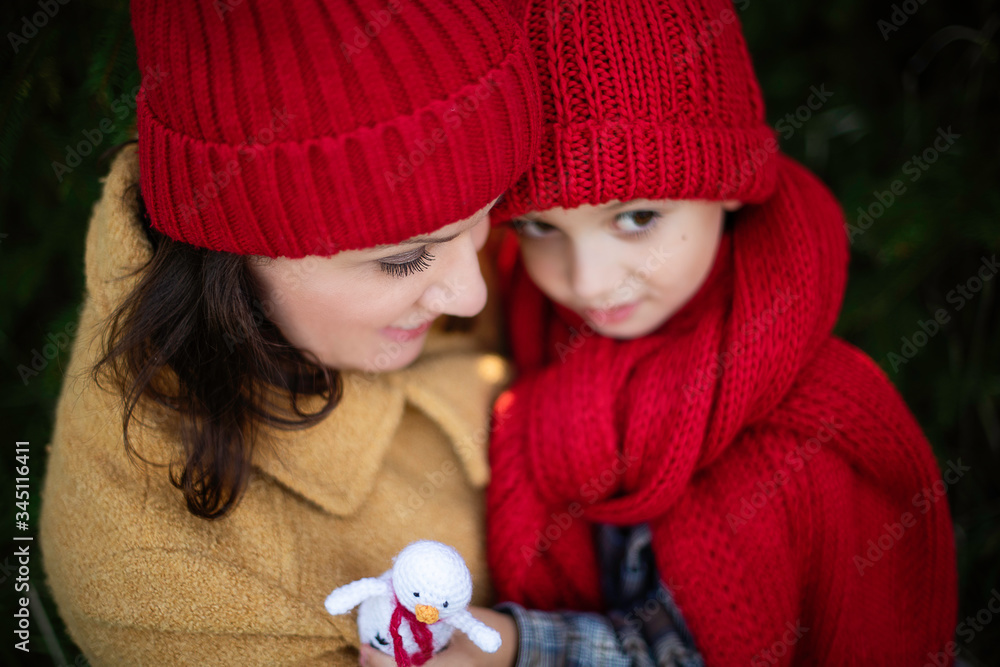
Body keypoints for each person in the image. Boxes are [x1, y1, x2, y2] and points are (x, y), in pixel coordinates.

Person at [37, 0, 543, 664]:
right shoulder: (152, 579)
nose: (473, 290)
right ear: (229, 254)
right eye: (403, 257)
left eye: (488, 212)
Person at [479, 0, 959, 665]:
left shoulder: (814, 429)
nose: (586, 282)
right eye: (539, 227)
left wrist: (515, 647)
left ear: (731, 183)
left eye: (638, 216)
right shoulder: (518, 326)